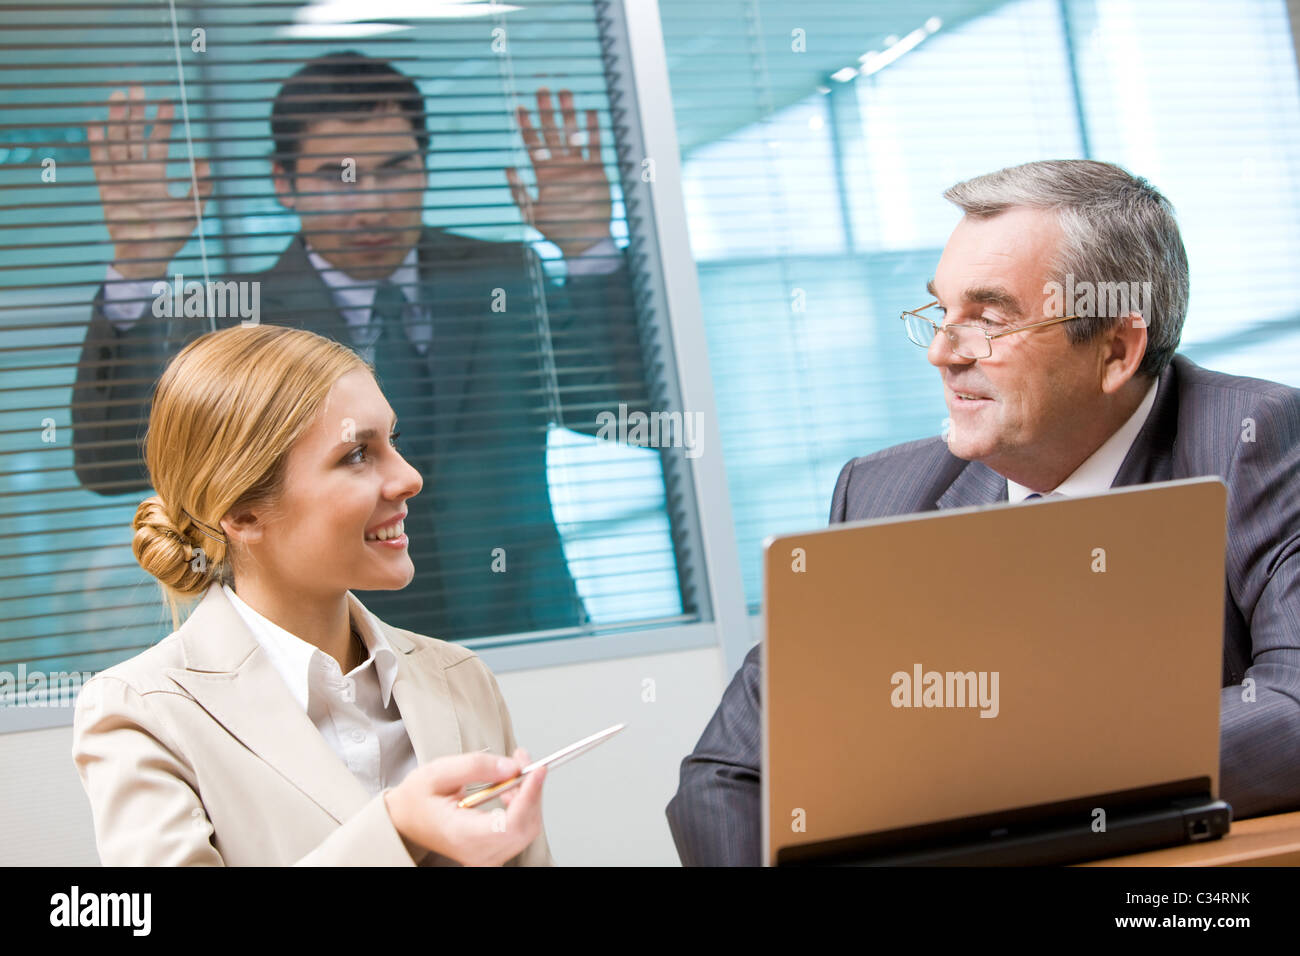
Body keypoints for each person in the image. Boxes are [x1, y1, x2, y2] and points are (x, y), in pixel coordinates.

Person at [666, 158, 1300, 866]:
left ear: (1117, 350)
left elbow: (1291, 705)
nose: (941, 352)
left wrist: (992, 768)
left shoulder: (1261, 440)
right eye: (942, 312)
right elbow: (728, 772)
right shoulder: (885, 495)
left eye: (987, 319)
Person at [71, 51, 651, 640]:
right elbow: (112, 465)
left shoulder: (502, 275)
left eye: (396, 168)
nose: (371, 201)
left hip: (529, 630)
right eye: (335, 175)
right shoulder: (235, 319)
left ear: (425, 167)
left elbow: (632, 419)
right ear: (283, 183)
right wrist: (139, 269)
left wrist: (588, 250)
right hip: (334, 654)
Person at [71, 323, 553, 866]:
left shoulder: (461, 679)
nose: (410, 478)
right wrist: (397, 830)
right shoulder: (143, 714)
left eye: (392, 442)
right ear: (243, 513)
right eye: (356, 455)